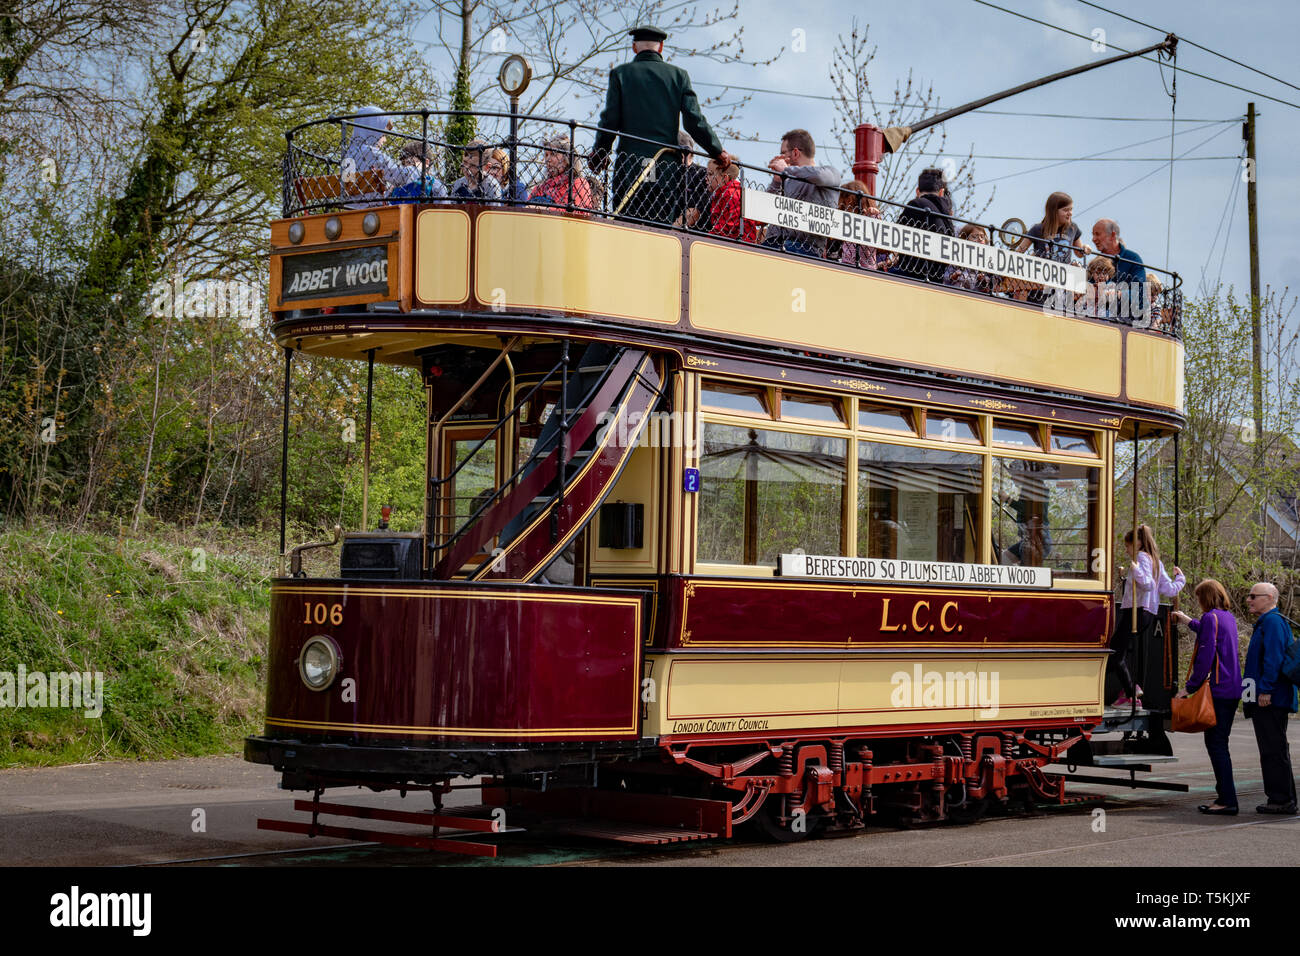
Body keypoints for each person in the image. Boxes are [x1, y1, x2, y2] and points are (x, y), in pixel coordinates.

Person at [591, 25, 732, 224]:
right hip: (664, 168)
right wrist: (716, 150)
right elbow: (693, 120)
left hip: (629, 167)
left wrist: (599, 155)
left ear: (634, 47)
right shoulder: (678, 76)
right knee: (659, 227)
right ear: (661, 47)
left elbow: (609, 121)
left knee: (624, 225)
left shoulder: (621, 74)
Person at [1172, 580, 1244, 815]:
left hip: (1218, 689)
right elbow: (1209, 632)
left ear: (1205, 598)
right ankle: (1226, 796)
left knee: (1216, 744)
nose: (1197, 602)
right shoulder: (1227, 617)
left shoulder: (1210, 618)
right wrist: (1187, 621)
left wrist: (1190, 687)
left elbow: (1205, 656)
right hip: (1232, 688)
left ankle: (1226, 799)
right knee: (1221, 742)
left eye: (1198, 597)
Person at [1110, 524, 1185, 707]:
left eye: (1128, 546)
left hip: (1135, 610)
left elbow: (1148, 584)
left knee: (1114, 654)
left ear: (1137, 543)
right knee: (1121, 652)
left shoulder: (1141, 557)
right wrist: (1180, 579)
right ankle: (1129, 690)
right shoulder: (1155, 561)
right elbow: (1168, 589)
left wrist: (1135, 570)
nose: (1127, 550)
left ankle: (1130, 693)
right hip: (1148, 613)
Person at [1242, 581, 1297, 813]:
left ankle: (1281, 799)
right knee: (1273, 748)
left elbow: (1272, 659)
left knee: (1273, 748)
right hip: (1269, 695)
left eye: (1254, 596)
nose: (1249, 600)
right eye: (1249, 596)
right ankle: (1281, 798)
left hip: (1271, 698)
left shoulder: (1272, 622)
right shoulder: (1268, 622)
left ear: (1269, 598)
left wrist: (1266, 690)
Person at [764, 128, 840, 258]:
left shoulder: (830, 172)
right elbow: (765, 209)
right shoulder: (787, 179)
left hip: (805, 247)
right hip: (774, 242)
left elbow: (820, 177)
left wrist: (787, 169)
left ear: (795, 153)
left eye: (783, 153)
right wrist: (776, 181)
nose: (780, 157)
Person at [342, 106, 418, 206]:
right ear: (373, 131)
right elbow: (400, 175)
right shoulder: (371, 153)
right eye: (383, 134)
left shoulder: (348, 154)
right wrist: (419, 168)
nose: (385, 140)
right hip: (372, 211)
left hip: (351, 209)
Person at [891, 167, 954, 282]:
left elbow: (896, 235)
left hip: (912, 273)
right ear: (941, 192)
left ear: (917, 191)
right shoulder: (947, 218)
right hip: (937, 278)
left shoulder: (916, 204)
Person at [1091, 218, 1148, 324]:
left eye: (1097, 234)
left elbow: (1140, 294)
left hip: (1126, 322)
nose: (1093, 239)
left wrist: (1118, 294)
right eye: (1093, 235)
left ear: (1112, 235)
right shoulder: (1095, 263)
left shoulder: (1133, 259)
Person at [528, 134, 595, 214]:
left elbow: (574, 213)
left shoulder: (578, 184)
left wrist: (539, 208)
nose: (548, 160)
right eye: (546, 155)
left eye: (553, 154)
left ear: (567, 159)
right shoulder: (540, 188)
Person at [703, 158, 757, 243]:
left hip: (739, 243)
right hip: (729, 240)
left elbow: (728, 225)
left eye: (710, 174)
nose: (706, 178)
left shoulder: (732, 194)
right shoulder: (721, 194)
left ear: (724, 178)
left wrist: (707, 239)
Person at [836, 180, 885, 269]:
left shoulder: (870, 217)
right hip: (846, 263)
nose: (843, 204)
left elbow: (879, 235)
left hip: (866, 266)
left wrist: (875, 215)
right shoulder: (846, 220)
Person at [943, 224, 996, 294]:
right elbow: (945, 277)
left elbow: (992, 284)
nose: (979, 239)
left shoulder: (987, 261)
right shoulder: (957, 256)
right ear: (965, 239)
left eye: (982, 237)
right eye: (974, 237)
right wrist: (954, 276)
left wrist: (983, 281)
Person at [676, 132, 712, 230]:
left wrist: (670, 230)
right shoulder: (667, 170)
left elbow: (695, 211)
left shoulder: (703, 174)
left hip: (687, 232)